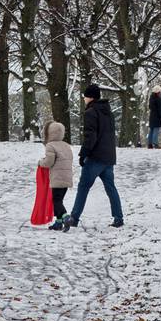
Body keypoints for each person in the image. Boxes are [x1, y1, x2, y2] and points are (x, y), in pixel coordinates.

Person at [62, 85, 124, 230]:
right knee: (111, 188)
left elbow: (90, 136)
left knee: (83, 187)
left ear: (90, 97)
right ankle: (118, 217)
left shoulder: (91, 112)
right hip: (108, 157)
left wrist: (83, 154)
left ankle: (74, 218)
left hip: (95, 157)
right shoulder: (108, 112)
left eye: (85, 96)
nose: (84, 98)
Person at [38, 120, 74, 231]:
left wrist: (41, 162)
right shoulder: (67, 146)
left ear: (49, 133)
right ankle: (58, 223)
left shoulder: (50, 146)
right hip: (67, 177)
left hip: (57, 178)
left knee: (56, 201)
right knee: (59, 200)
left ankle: (65, 217)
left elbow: (49, 162)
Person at [147, 84, 161, 148]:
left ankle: (150, 144)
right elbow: (159, 109)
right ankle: (155, 143)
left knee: (151, 130)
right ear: (158, 92)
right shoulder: (158, 99)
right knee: (156, 130)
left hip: (152, 116)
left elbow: (150, 107)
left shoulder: (151, 98)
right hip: (157, 117)